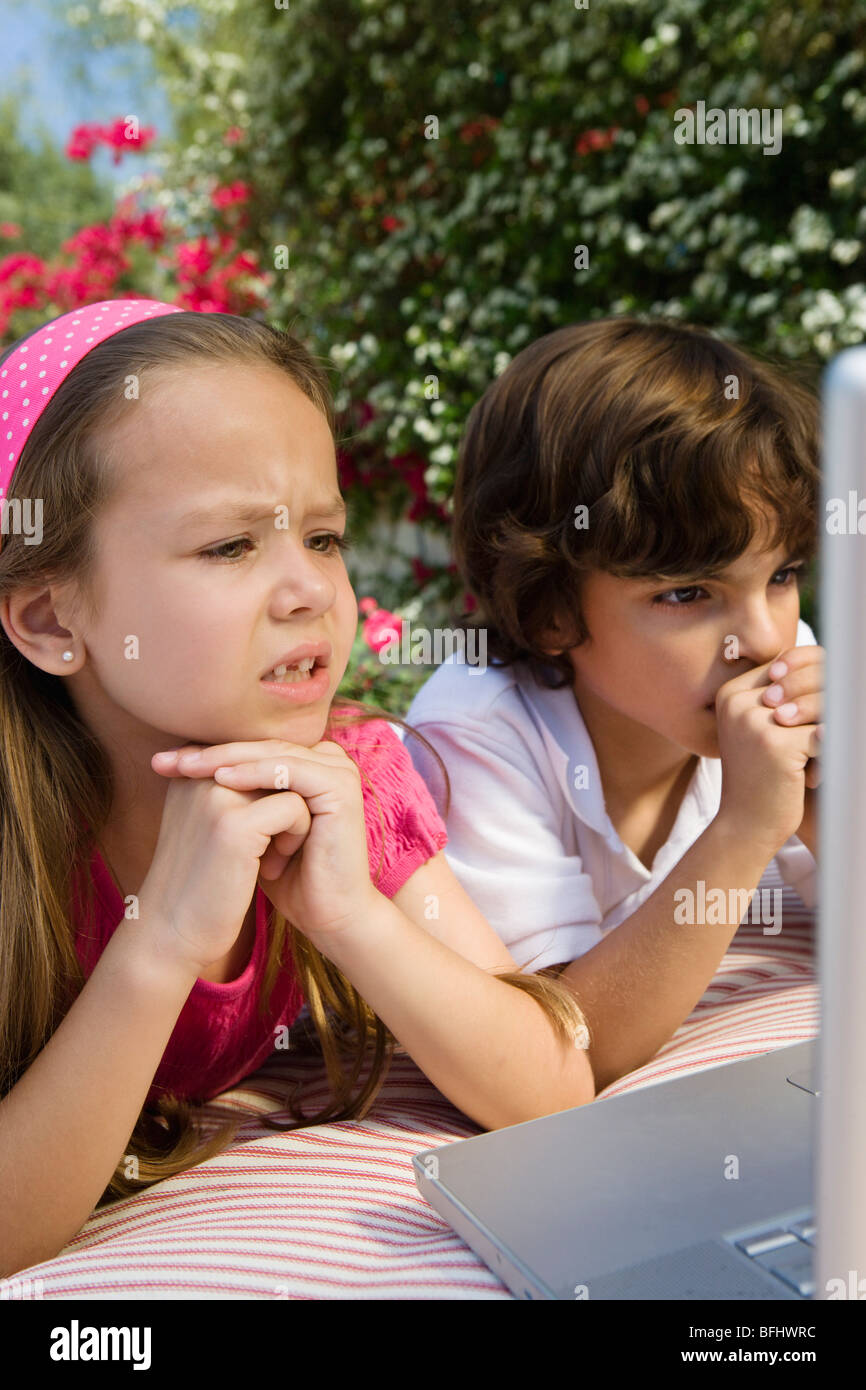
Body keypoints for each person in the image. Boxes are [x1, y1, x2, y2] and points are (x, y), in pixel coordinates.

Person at [0, 298, 590, 1280]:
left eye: (320, 536)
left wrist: (353, 913)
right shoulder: (24, 837)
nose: (311, 589)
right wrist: (160, 947)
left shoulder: (350, 785)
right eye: (229, 546)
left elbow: (550, 1088)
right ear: (53, 619)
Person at [406, 316, 823, 1101]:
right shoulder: (478, 731)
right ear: (552, 612)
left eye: (783, 572)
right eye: (688, 594)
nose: (764, 637)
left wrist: (823, 808)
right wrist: (743, 829)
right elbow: (569, 1050)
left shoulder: (778, 655)